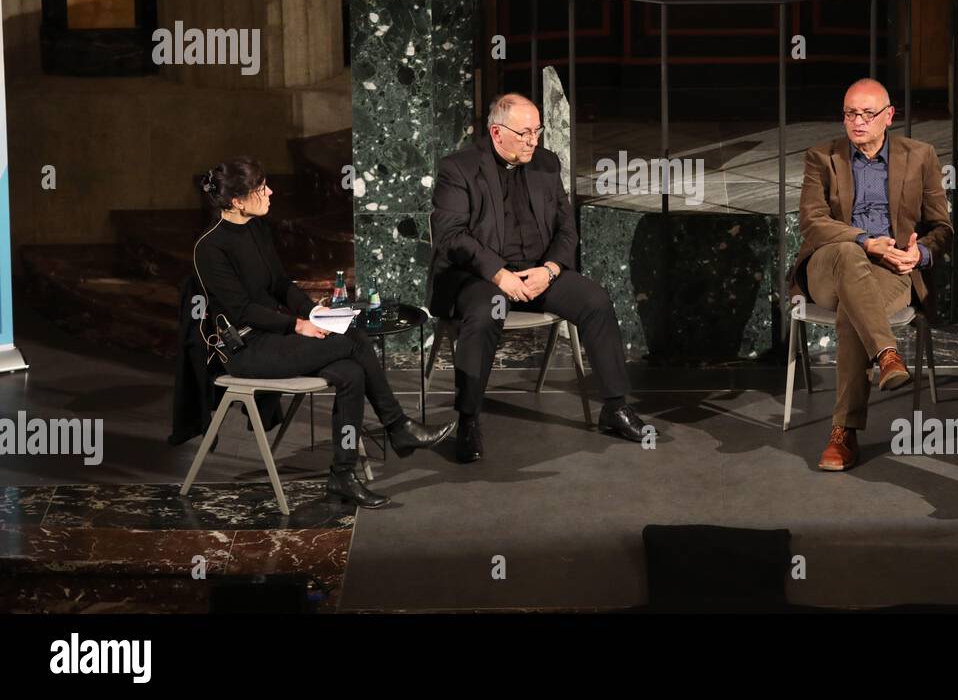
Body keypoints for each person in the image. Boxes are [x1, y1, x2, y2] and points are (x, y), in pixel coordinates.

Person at [193, 157, 453, 509]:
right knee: (354, 341)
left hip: (276, 336)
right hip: (246, 348)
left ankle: (342, 475)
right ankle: (397, 426)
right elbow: (241, 310)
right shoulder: (210, 247)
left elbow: (281, 284)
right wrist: (297, 324)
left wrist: (313, 310)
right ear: (237, 201)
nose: (271, 191)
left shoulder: (257, 228)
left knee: (350, 371)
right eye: (261, 188)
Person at [428, 93, 648, 462]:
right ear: (497, 133)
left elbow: (567, 229)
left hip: (538, 271)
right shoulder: (459, 169)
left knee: (595, 301)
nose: (534, 141)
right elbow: (451, 236)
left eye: (538, 131)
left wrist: (550, 270)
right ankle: (468, 420)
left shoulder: (546, 164)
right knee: (488, 313)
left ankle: (614, 406)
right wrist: (499, 276)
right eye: (525, 133)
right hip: (478, 277)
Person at [791, 79, 954, 471]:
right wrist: (866, 241)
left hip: (893, 269)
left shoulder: (921, 156)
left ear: (889, 116)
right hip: (828, 266)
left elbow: (942, 228)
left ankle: (844, 433)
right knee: (849, 254)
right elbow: (812, 223)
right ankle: (887, 353)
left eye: (867, 114)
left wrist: (920, 254)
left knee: (855, 311)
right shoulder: (822, 156)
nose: (857, 122)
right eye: (850, 113)